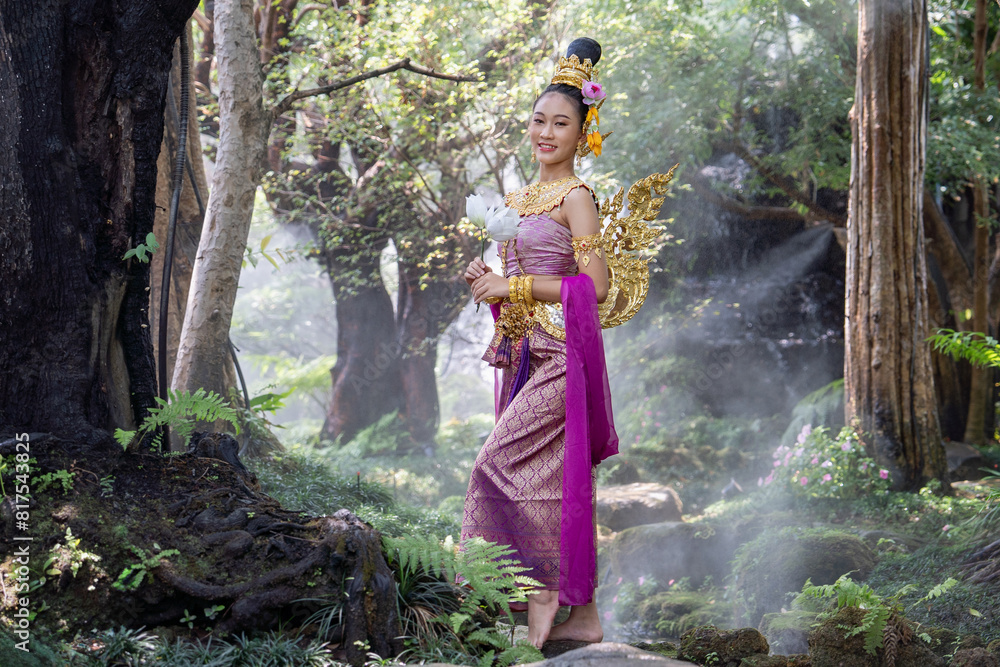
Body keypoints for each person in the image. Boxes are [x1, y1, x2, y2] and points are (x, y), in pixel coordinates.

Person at [461, 37, 619, 649]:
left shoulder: (576, 197)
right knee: (558, 479)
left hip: (561, 357)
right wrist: (490, 284)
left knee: (493, 464)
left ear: (584, 133)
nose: (546, 132)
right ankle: (581, 618)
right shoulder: (521, 196)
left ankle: (543, 590)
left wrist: (516, 282)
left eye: (561, 123)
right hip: (525, 355)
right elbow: (518, 284)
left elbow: (595, 286)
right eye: (538, 120)